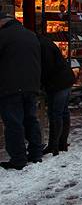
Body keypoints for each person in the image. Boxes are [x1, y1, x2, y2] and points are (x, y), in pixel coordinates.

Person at [0, 12, 44, 170]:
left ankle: (18, 158)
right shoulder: (30, 35)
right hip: (31, 85)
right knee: (31, 119)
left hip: (9, 87)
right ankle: (36, 153)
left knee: (13, 123)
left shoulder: (3, 36)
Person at [39, 34, 75, 156]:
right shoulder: (45, 42)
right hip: (65, 80)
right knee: (62, 112)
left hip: (58, 83)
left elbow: (47, 68)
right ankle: (61, 144)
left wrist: (41, 84)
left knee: (56, 113)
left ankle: (54, 145)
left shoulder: (42, 46)